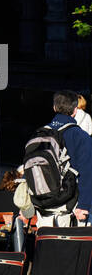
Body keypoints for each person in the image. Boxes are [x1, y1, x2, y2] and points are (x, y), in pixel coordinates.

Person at [27, 90, 92, 228]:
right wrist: (84, 205)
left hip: (42, 205)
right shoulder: (81, 136)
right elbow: (87, 172)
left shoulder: (39, 134)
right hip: (71, 206)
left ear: (54, 108)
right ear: (75, 110)